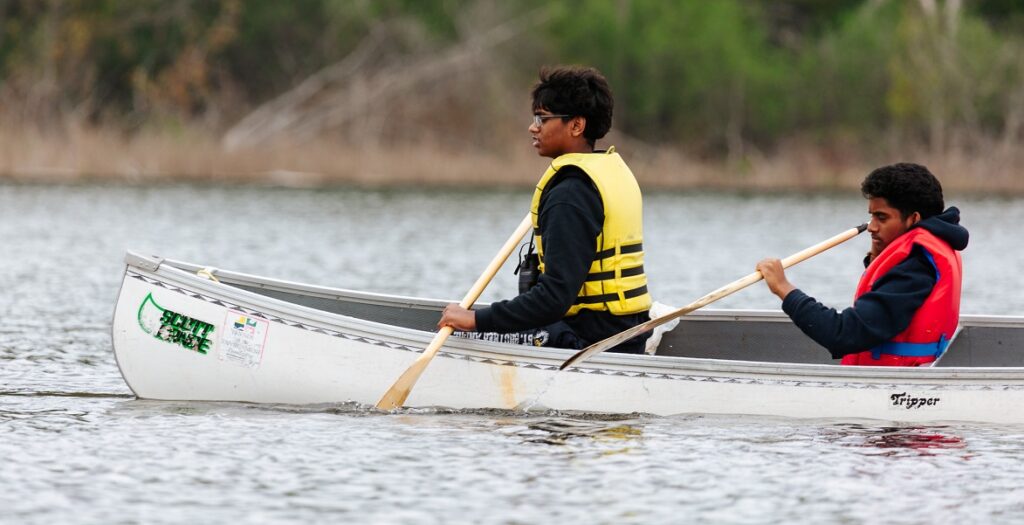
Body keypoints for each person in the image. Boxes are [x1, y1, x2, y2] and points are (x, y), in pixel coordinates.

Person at [437, 65, 652, 353]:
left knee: (458, 336)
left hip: (589, 342)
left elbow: (553, 300)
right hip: (626, 334)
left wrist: (474, 319)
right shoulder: (607, 172)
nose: (533, 127)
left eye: (542, 118)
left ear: (576, 125)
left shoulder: (570, 195)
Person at [756, 163, 969, 366]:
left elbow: (842, 334)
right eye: (872, 217)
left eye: (882, 218)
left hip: (896, 390)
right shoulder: (924, 252)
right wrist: (878, 259)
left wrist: (784, 288)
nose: (871, 227)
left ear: (913, 219)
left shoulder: (915, 269)